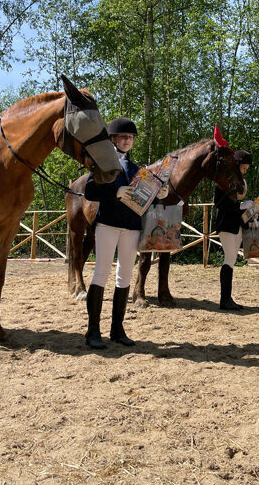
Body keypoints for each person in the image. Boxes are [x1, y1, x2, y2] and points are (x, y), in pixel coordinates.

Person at [83, 116, 168, 349]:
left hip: (131, 226)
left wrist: (158, 193)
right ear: (113, 139)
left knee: (125, 276)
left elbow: (143, 198)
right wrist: (115, 191)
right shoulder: (102, 163)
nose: (128, 140)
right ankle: (93, 331)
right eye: (124, 136)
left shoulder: (137, 169)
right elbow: (90, 190)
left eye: (130, 137)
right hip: (108, 223)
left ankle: (117, 329)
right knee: (101, 273)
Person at [214, 149, 253, 310]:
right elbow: (219, 203)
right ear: (236, 164)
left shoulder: (239, 180)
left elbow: (238, 207)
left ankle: (228, 298)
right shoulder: (223, 180)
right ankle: (225, 299)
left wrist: (252, 210)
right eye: (243, 168)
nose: (244, 171)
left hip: (237, 223)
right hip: (226, 223)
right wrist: (240, 205)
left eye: (246, 169)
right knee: (229, 258)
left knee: (232, 260)